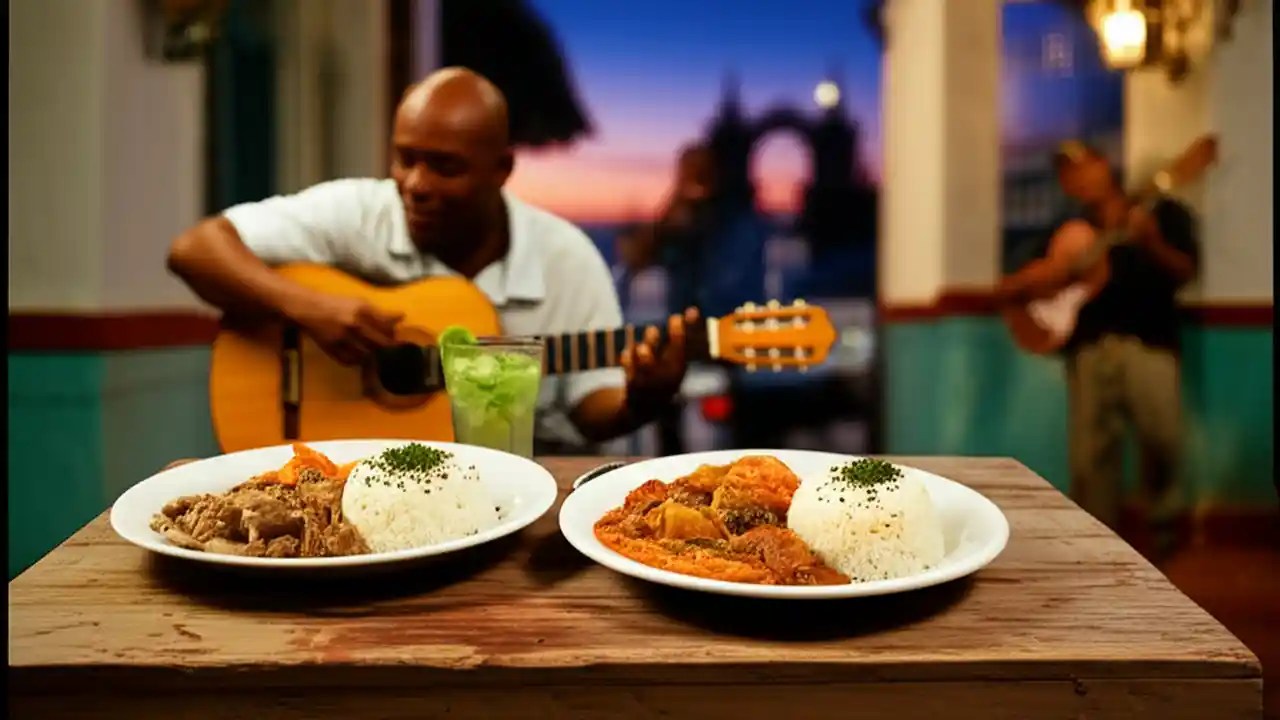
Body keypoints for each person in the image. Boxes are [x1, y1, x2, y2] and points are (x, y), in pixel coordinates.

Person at [168, 67, 694, 453]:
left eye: (445, 167)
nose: (416, 184)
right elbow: (194, 250)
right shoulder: (359, 212)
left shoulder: (566, 258)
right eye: (405, 158)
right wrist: (309, 307)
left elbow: (590, 407)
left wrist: (642, 400)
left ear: (502, 169)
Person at [996, 141, 1199, 557]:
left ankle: (1164, 539)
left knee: (1163, 438)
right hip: (1088, 350)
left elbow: (1186, 270)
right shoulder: (1064, 228)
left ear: (1105, 166)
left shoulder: (1161, 212)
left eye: (1083, 167)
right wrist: (1056, 272)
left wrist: (1152, 242)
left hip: (1150, 343)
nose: (1077, 179)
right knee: (1091, 455)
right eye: (1067, 175)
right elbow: (1018, 283)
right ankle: (1096, 546)